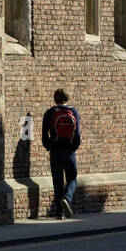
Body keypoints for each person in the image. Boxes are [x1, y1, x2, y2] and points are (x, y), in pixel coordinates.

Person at [42, 88, 82, 219]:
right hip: (69, 151)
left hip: (55, 151)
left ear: (55, 99)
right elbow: (78, 134)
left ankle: (59, 213)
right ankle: (67, 197)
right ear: (67, 98)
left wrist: (49, 146)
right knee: (72, 178)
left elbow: (44, 134)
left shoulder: (50, 113)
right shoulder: (73, 112)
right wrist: (73, 147)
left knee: (57, 181)